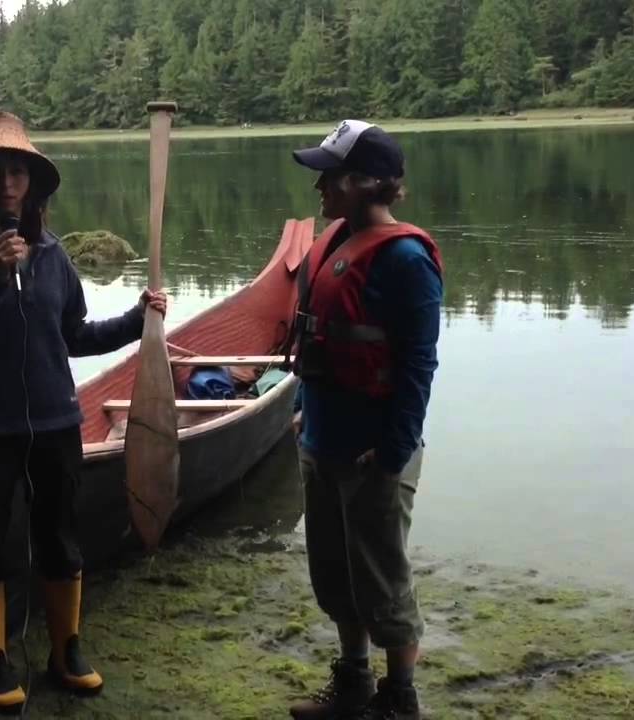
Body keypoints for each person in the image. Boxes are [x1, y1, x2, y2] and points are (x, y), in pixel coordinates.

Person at [0, 111, 167, 714]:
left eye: (17, 172)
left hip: (56, 424)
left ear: (31, 182)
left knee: (61, 538)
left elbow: (74, 334)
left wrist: (139, 320)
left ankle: (66, 649)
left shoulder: (54, 255)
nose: (8, 183)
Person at [286, 120, 443, 720]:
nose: (320, 187)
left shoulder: (405, 260)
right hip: (322, 441)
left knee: (382, 579)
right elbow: (314, 344)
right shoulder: (332, 243)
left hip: (373, 452)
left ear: (366, 183)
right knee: (334, 572)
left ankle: (400, 700)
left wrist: (395, 450)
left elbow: (418, 365)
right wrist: (301, 410)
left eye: (330, 176)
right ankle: (352, 683)